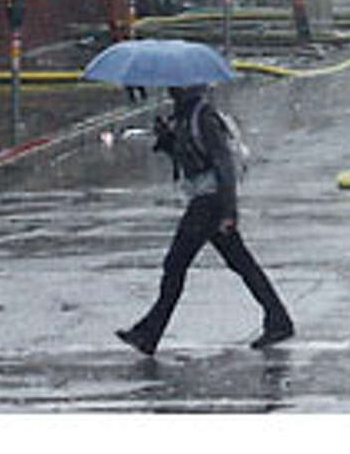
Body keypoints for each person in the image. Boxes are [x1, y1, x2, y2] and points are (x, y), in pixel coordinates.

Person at [118, 84, 293, 355]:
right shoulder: (185, 116)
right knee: (241, 262)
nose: (170, 91)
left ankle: (150, 332)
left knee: (175, 264)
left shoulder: (203, 117)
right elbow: (190, 159)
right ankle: (278, 319)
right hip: (206, 199)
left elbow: (223, 164)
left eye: (175, 87)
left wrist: (229, 210)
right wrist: (167, 140)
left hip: (210, 201)